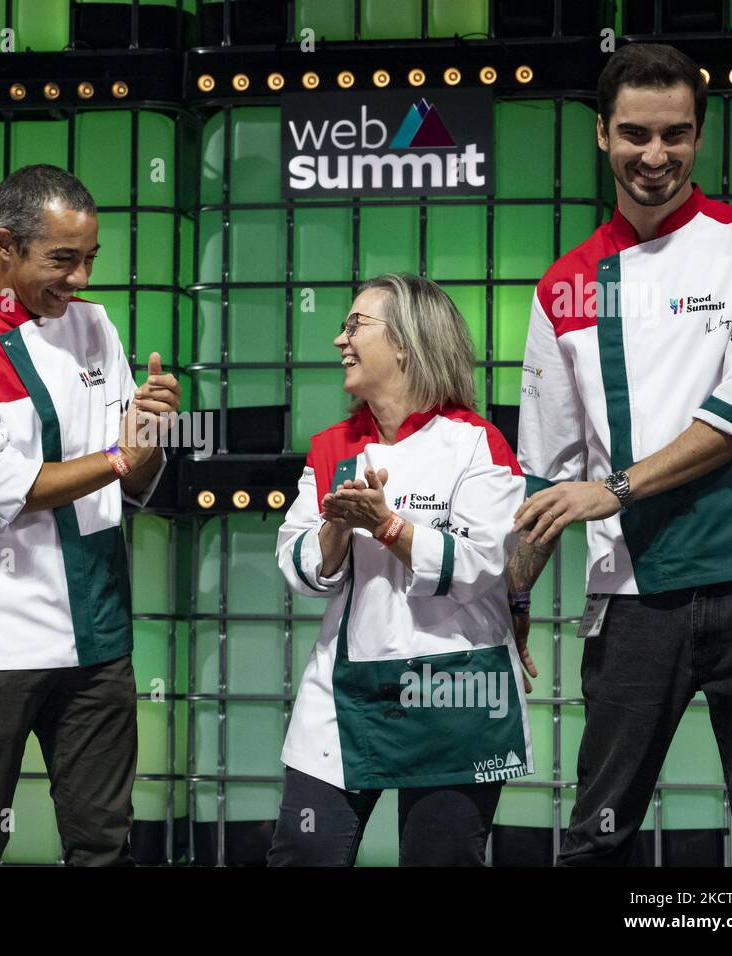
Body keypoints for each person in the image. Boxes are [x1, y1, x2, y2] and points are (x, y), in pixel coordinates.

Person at [511, 43, 732, 865]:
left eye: (676, 134)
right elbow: (546, 468)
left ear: (699, 137)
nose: (656, 155)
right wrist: (512, 595)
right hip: (635, 595)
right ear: (602, 134)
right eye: (636, 134)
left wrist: (615, 489)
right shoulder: (563, 284)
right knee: (596, 837)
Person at [0, 164, 180, 865]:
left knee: (102, 845)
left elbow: (132, 478)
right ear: (6, 245)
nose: (82, 278)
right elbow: (8, 485)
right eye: (63, 259)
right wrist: (120, 454)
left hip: (98, 639)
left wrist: (148, 439)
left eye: (90, 258)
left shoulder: (95, 325)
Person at [270, 274, 534, 867]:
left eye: (355, 325)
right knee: (302, 856)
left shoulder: (478, 443)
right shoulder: (331, 446)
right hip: (345, 697)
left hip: (457, 693)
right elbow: (297, 564)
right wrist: (338, 525)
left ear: (407, 344)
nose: (340, 339)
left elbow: (481, 563)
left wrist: (389, 527)